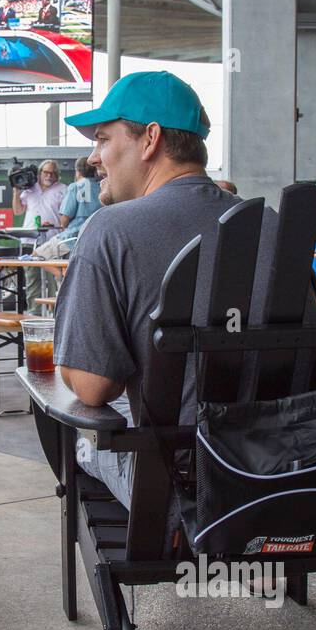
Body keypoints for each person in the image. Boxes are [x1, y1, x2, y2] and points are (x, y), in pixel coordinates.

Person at [52, 71, 237, 510]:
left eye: (102, 139)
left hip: (179, 492)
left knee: (75, 436)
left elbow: (94, 387)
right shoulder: (270, 225)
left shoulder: (111, 231)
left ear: (150, 139)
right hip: (285, 481)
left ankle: (136, 542)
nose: (94, 158)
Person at [12, 159, 67, 302]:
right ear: (40, 173)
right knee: (32, 282)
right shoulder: (29, 188)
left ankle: (54, 313)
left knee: (55, 280)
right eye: (46, 172)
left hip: (52, 241)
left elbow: (66, 216)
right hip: (29, 241)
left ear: (57, 175)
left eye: (53, 173)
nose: (49, 176)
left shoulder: (63, 189)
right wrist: (16, 191)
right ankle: (33, 313)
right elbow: (18, 211)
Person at [57, 156, 103, 243]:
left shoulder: (75, 187)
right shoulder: (102, 187)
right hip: (97, 237)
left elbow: (65, 218)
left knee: (40, 251)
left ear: (78, 172)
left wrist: (63, 227)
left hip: (74, 237)